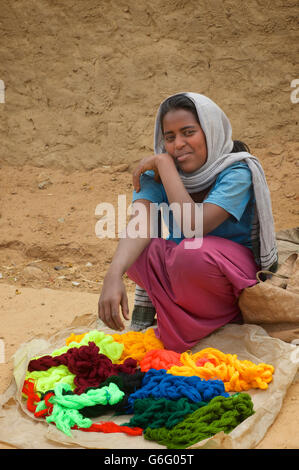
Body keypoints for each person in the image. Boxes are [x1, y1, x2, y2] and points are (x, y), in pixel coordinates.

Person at [98, 92, 278, 353]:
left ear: (210, 131)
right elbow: (139, 226)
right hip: (183, 278)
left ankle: (209, 324)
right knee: (135, 253)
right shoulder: (157, 176)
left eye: (188, 132)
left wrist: (164, 163)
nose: (178, 144)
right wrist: (112, 275)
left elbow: (195, 226)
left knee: (192, 254)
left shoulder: (236, 172)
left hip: (227, 281)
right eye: (169, 138)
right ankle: (182, 324)